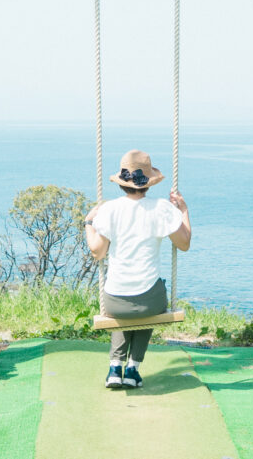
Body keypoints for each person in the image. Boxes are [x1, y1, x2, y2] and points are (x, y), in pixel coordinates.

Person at [84, 148, 192, 389]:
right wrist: (183, 210)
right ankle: (132, 369)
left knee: (126, 307)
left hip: (113, 300)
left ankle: (115, 367)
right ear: (148, 183)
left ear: (122, 182)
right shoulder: (162, 208)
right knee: (148, 298)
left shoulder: (109, 209)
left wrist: (88, 223)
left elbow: (97, 251)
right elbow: (184, 244)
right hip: (148, 301)